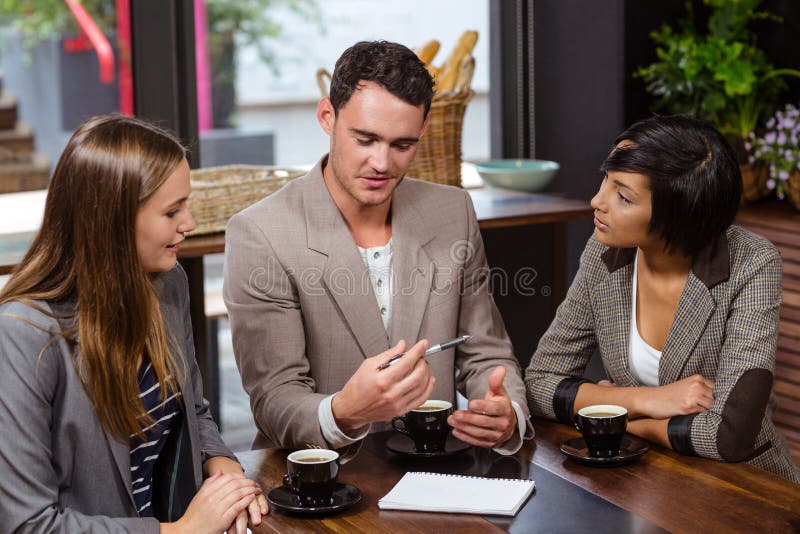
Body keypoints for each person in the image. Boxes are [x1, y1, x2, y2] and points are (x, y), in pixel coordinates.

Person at [223, 40, 533, 456]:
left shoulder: (452, 210)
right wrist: (345, 411)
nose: (383, 164)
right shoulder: (260, 232)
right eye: (365, 139)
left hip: (433, 469)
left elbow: (485, 353)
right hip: (323, 482)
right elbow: (274, 398)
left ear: (423, 130)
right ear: (327, 117)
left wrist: (505, 411)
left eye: (402, 145)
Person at [0, 115, 270, 532]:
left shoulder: (168, 284)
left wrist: (222, 467)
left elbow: (193, 410)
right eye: (172, 211)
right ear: (113, 220)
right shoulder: (23, 334)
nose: (190, 223)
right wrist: (179, 531)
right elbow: (27, 524)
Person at [525, 114, 800, 482]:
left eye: (623, 197)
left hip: (742, 484)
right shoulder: (604, 253)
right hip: (638, 475)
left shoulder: (751, 262)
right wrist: (647, 401)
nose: (596, 200)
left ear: (677, 215)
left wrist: (616, 415)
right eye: (606, 180)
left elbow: (729, 435)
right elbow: (540, 384)